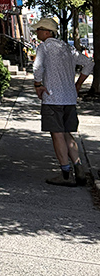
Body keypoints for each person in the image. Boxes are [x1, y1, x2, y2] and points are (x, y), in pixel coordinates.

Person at [31, 17, 93, 186]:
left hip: (52, 98)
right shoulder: (68, 48)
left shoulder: (44, 47)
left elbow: (37, 68)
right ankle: (78, 166)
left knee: (57, 134)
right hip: (69, 98)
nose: (36, 33)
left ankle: (65, 173)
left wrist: (38, 85)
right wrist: (78, 84)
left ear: (46, 32)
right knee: (67, 133)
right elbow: (88, 64)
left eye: (38, 30)